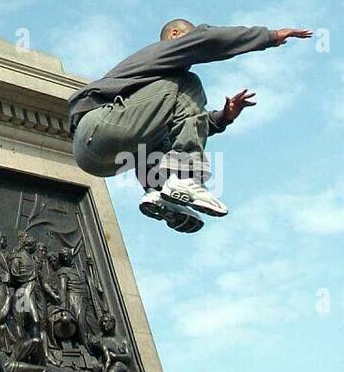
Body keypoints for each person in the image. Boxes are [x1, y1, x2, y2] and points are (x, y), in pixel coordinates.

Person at [68, 21, 312, 232]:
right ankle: (186, 176)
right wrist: (270, 36)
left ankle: (159, 192)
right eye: (189, 36)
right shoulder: (164, 51)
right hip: (99, 124)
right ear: (175, 35)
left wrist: (223, 117)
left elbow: (184, 123)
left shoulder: (154, 91)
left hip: (97, 159)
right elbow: (207, 38)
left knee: (162, 130)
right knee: (188, 82)